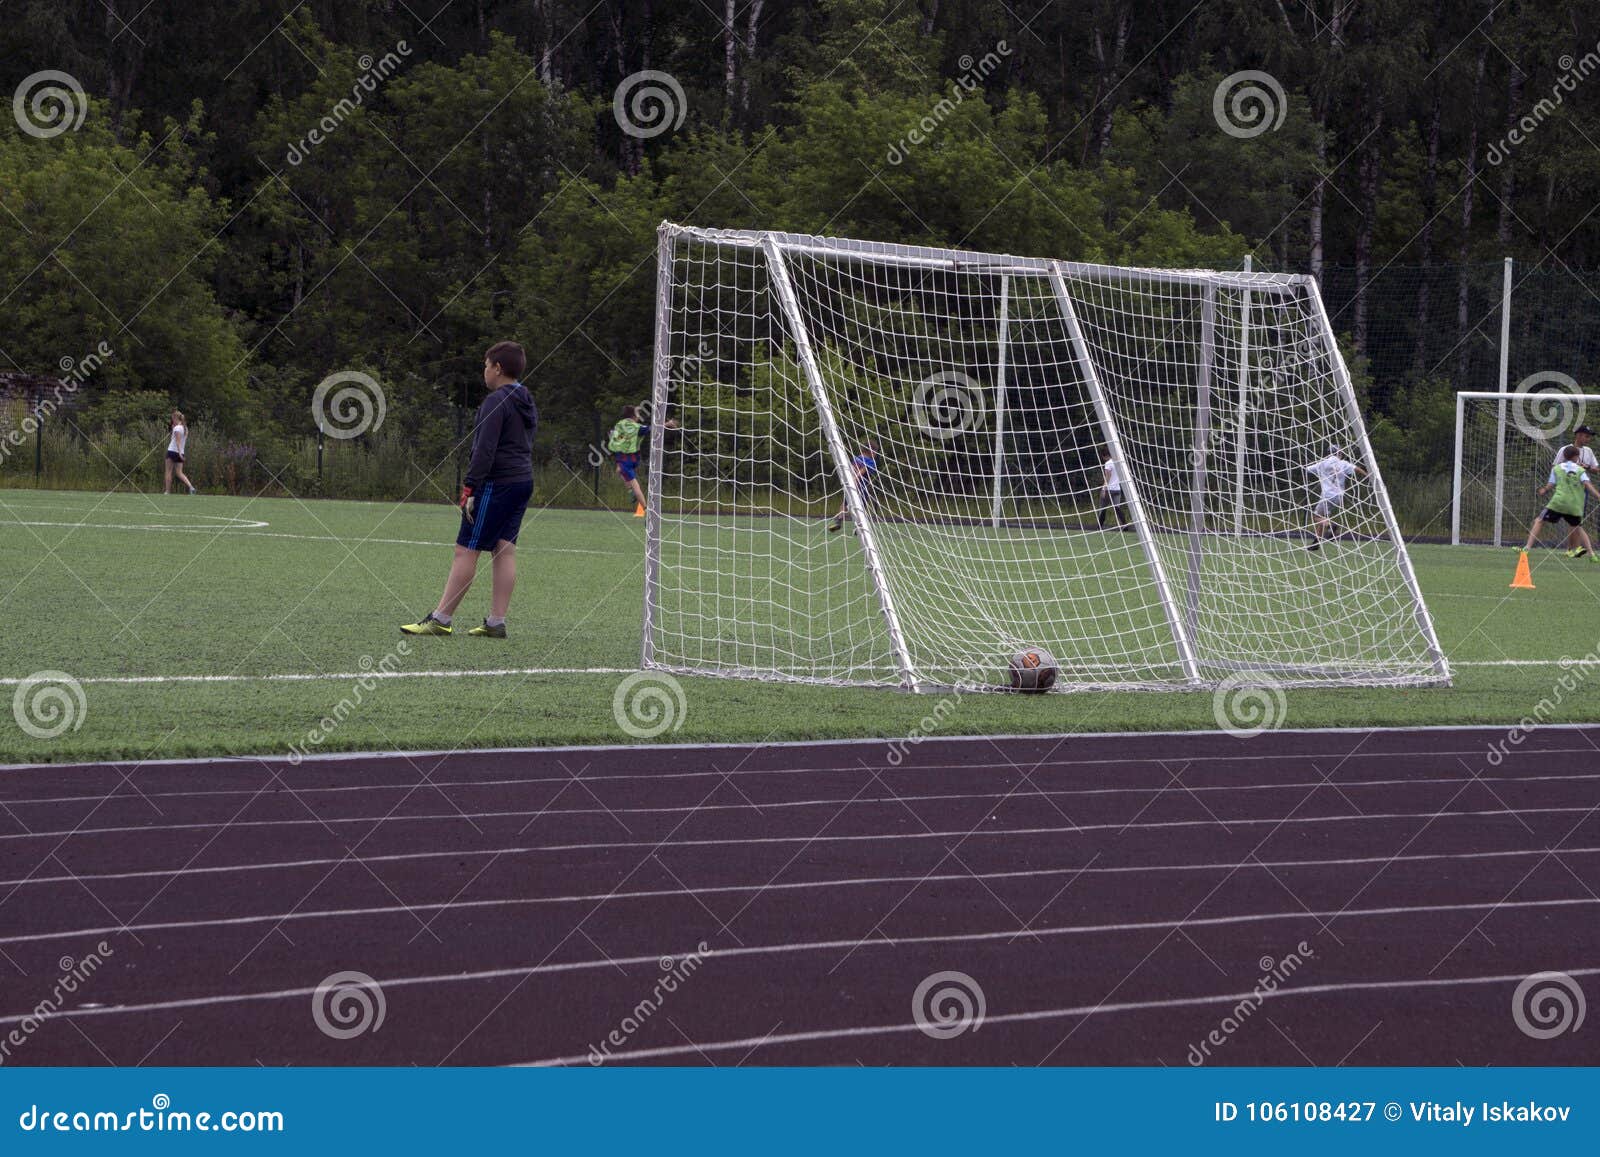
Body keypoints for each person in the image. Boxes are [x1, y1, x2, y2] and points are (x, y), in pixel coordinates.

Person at [401, 342, 537, 638]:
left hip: (497, 483)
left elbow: (484, 450)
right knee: (504, 549)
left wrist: (470, 486)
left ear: (498, 368)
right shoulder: (525, 397)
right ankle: (496, 622)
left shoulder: (495, 400)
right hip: (522, 480)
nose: (484, 371)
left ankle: (441, 618)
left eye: (486, 365)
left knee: (466, 549)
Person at [1522, 444, 1600, 559]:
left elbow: (1550, 485)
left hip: (1558, 503)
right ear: (1577, 457)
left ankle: (1527, 548)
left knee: (1539, 521)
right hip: (1574, 505)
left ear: (1564, 456)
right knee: (1578, 527)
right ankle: (1592, 555)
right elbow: (1588, 485)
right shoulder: (1580, 470)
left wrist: (1543, 490)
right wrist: (1598, 496)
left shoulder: (1557, 468)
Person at [607, 405, 676, 517]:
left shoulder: (620, 425)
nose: (639, 415)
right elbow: (652, 428)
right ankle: (631, 493)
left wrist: (612, 436)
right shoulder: (636, 427)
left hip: (626, 459)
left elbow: (615, 436)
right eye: (638, 413)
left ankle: (646, 509)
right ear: (633, 416)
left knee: (635, 485)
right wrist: (667, 424)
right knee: (619, 470)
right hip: (632, 458)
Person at [1306, 445, 1363, 552]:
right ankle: (1316, 543)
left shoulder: (1323, 463)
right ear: (1339, 453)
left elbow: (1307, 469)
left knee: (1316, 517)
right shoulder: (1344, 463)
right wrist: (1369, 476)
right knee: (1323, 518)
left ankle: (1332, 525)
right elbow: (1357, 469)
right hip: (1338, 496)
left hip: (1327, 495)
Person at [1550, 424, 1597, 552]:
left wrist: (1586, 467)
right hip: (1568, 488)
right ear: (1578, 435)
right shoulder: (1565, 449)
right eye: (1586, 436)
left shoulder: (1588, 451)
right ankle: (1573, 549)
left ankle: (1572, 549)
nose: (1588, 439)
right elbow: (1555, 467)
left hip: (1582, 489)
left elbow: (1596, 469)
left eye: (1589, 437)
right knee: (1573, 519)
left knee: (1576, 519)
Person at [827, 444, 878, 533]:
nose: (876, 454)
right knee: (861, 507)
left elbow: (852, 469)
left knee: (845, 504)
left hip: (851, 484)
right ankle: (859, 527)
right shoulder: (870, 461)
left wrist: (850, 481)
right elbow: (861, 472)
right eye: (876, 452)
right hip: (861, 486)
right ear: (872, 451)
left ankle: (838, 521)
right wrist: (855, 480)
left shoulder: (857, 458)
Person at [164, 409, 195, 495]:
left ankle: (167, 491)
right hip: (180, 452)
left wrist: (179, 454)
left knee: (168, 471)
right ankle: (191, 487)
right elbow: (178, 439)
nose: (172, 420)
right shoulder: (185, 428)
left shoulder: (177, 428)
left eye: (172, 418)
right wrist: (173, 429)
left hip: (173, 451)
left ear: (175, 418)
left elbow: (177, 441)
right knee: (179, 472)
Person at [1096, 451, 1127, 529]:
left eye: (1103, 458)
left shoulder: (1108, 463)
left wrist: (1103, 489)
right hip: (1117, 489)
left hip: (1109, 489)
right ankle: (1124, 525)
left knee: (1103, 508)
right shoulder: (1118, 462)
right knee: (1117, 508)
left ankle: (1099, 526)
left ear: (1105, 456)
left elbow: (1108, 476)